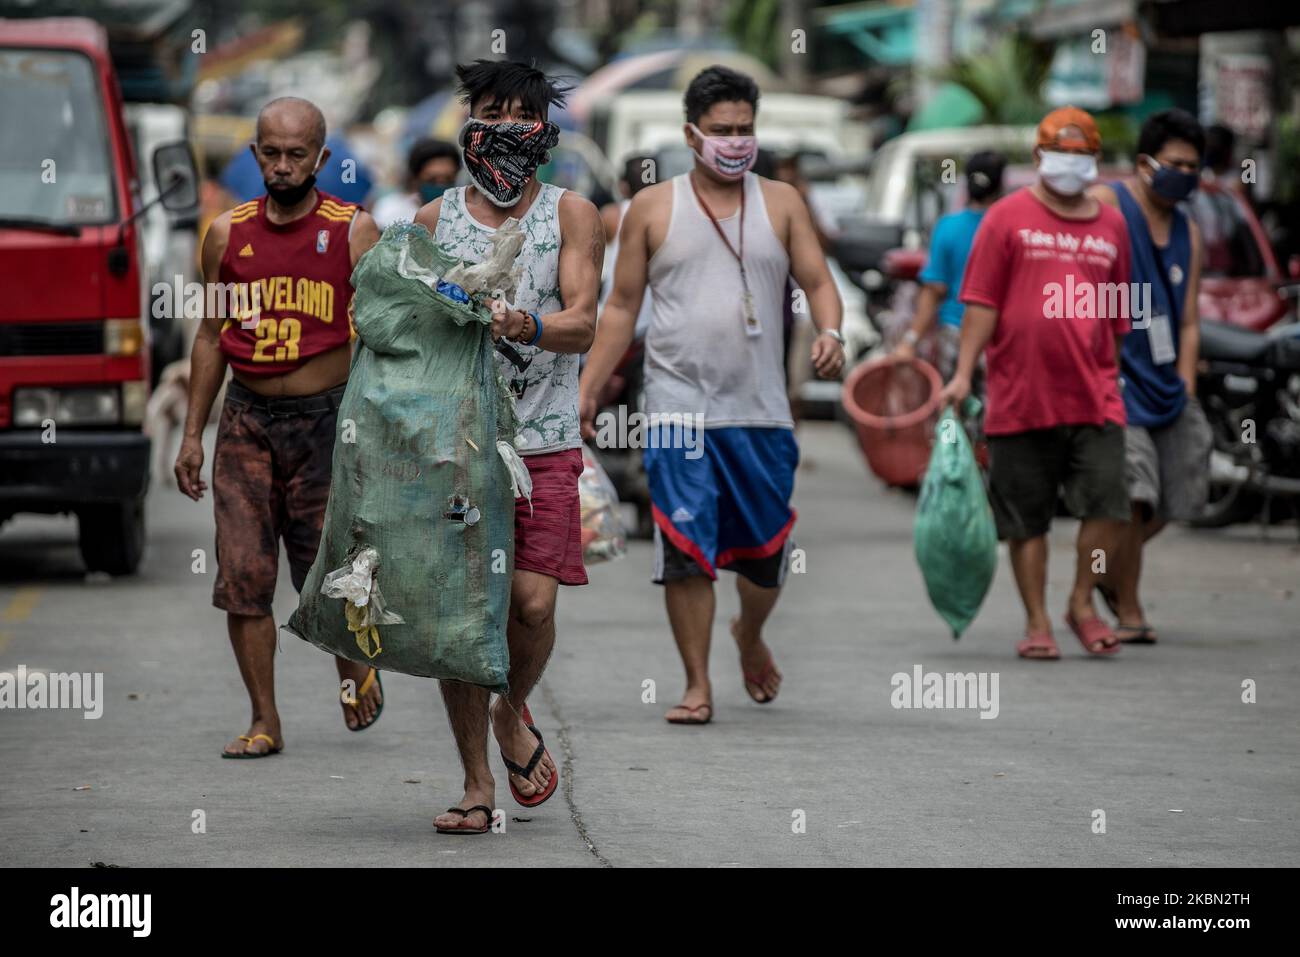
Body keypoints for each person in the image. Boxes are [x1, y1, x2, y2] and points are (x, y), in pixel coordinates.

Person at [579, 65, 845, 724]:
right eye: (721, 130)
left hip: (760, 411)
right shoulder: (652, 207)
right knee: (685, 541)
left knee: (763, 556)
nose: (734, 141)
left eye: (745, 129)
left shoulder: (782, 202)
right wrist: (585, 392)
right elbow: (620, 309)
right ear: (691, 134)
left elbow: (818, 280)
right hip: (675, 408)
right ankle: (697, 683)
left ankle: (748, 633)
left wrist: (833, 330)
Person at [413, 60, 602, 834]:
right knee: (462, 622)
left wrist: (523, 324)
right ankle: (474, 782)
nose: (508, 129)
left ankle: (511, 706)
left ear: (545, 132)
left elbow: (585, 320)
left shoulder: (571, 213)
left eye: (525, 116)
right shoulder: (432, 222)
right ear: (469, 123)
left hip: (548, 440)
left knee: (531, 602)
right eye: (493, 113)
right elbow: (407, 337)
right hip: (457, 447)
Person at [175, 97, 382, 756]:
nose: (284, 165)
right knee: (242, 574)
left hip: (328, 423)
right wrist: (190, 433)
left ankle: (352, 673)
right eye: (272, 152)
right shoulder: (223, 235)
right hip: (246, 421)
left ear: (322, 159)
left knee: (332, 573)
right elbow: (210, 335)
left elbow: (385, 338)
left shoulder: (354, 231)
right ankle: (265, 718)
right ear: (255, 154)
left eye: (298, 154)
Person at [939, 106, 1132, 660]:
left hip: (1094, 395)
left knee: (1109, 508)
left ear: (1095, 159)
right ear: (1037, 156)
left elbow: (1119, 311)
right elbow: (980, 303)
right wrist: (960, 375)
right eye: (1061, 152)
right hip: (1020, 395)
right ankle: (1037, 619)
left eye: (1082, 153)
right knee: (1028, 518)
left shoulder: (1112, 224)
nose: (1071, 163)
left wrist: (1111, 370)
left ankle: (1080, 602)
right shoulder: (1006, 218)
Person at [1089, 110, 1212, 643]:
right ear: (1145, 163)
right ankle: (1129, 608)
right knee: (1135, 495)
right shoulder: (1109, 204)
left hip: (1167, 383)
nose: (1184, 173)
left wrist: (1186, 385)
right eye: (1174, 163)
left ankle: (1101, 574)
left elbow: (1188, 321)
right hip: (1117, 380)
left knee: (1180, 495)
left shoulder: (1190, 230)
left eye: (1193, 165)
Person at [893, 151, 1006, 395]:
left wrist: (911, 340)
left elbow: (934, 290)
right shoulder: (1012, 226)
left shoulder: (948, 227)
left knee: (954, 414)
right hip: (1000, 339)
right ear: (1000, 184)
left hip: (955, 337)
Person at [371, 137, 460, 230]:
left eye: (448, 179)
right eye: (432, 180)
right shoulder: (391, 212)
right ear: (415, 179)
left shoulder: (464, 216)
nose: (440, 186)